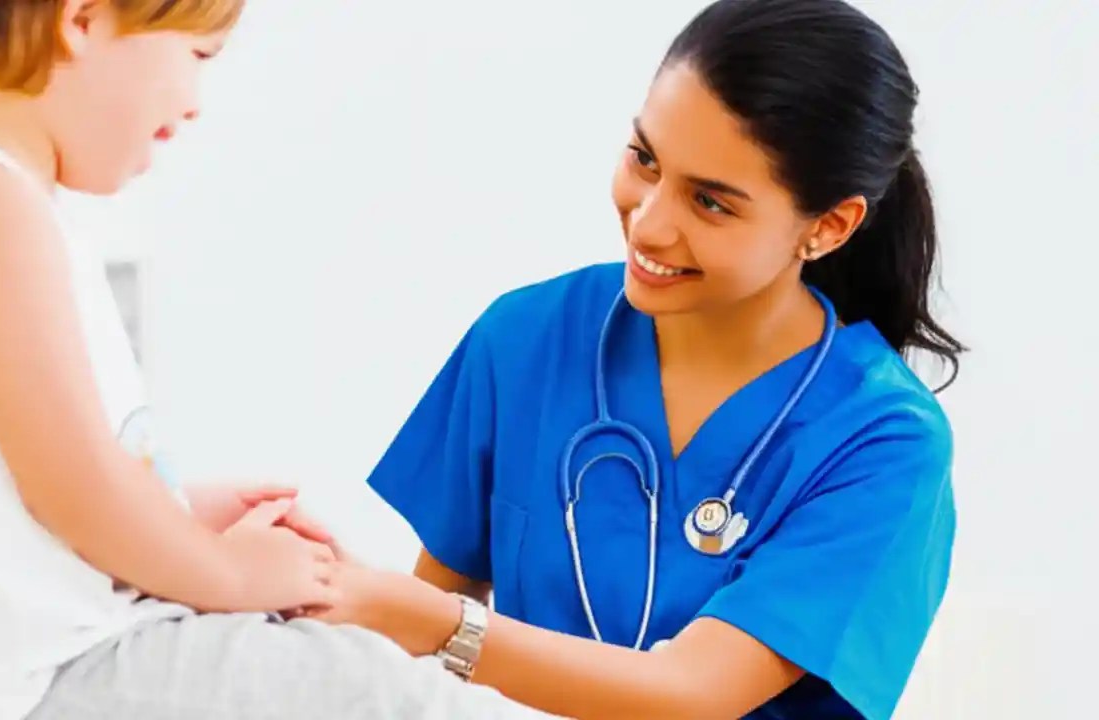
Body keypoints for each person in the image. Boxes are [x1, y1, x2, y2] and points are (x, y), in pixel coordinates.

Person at [0, 2, 557, 719]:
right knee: (369, 687)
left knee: (343, 668)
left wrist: (181, 513)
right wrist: (226, 572)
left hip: (67, 667)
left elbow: (38, 483)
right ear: (83, 19)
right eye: (199, 57)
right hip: (48, 683)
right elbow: (78, 490)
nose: (194, 107)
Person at [313, 0, 962, 718]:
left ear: (829, 226)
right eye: (645, 159)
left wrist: (434, 624)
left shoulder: (882, 440)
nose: (648, 223)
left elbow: (695, 694)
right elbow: (423, 633)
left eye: (711, 203)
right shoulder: (526, 341)